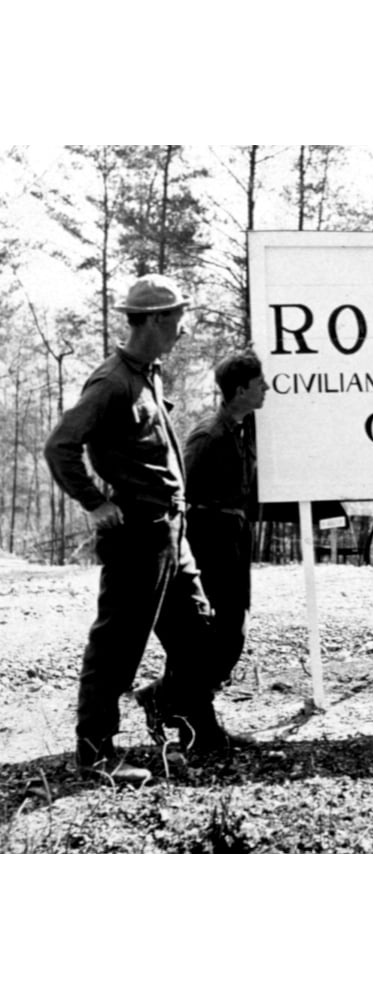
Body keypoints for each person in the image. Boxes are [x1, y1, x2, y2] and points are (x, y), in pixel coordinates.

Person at [44, 275, 216, 783]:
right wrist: (94, 503)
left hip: (170, 527)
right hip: (138, 528)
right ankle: (95, 753)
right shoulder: (113, 381)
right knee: (118, 643)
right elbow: (61, 446)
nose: (183, 330)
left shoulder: (148, 374)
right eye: (178, 319)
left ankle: (182, 721)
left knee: (196, 629)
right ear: (158, 319)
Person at [137, 352, 268, 740]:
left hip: (233, 534)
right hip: (208, 537)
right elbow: (180, 493)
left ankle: (161, 697)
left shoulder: (243, 430)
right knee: (212, 632)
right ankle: (183, 711)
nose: (266, 389)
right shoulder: (208, 434)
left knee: (232, 628)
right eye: (259, 383)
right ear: (241, 389)